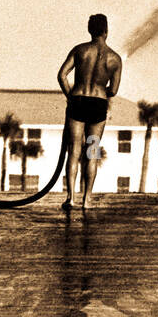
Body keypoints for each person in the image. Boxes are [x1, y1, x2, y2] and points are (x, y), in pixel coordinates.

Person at [57, 13, 122, 210]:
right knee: (92, 151)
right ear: (106, 31)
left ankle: (70, 198)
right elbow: (114, 90)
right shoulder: (115, 58)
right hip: (98, 104)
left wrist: (71, 96)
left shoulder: (80, 50)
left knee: (74, 151)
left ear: (89, 30)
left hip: (77, 101)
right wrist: (102, 90)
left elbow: (61, 75)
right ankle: (87, 200)